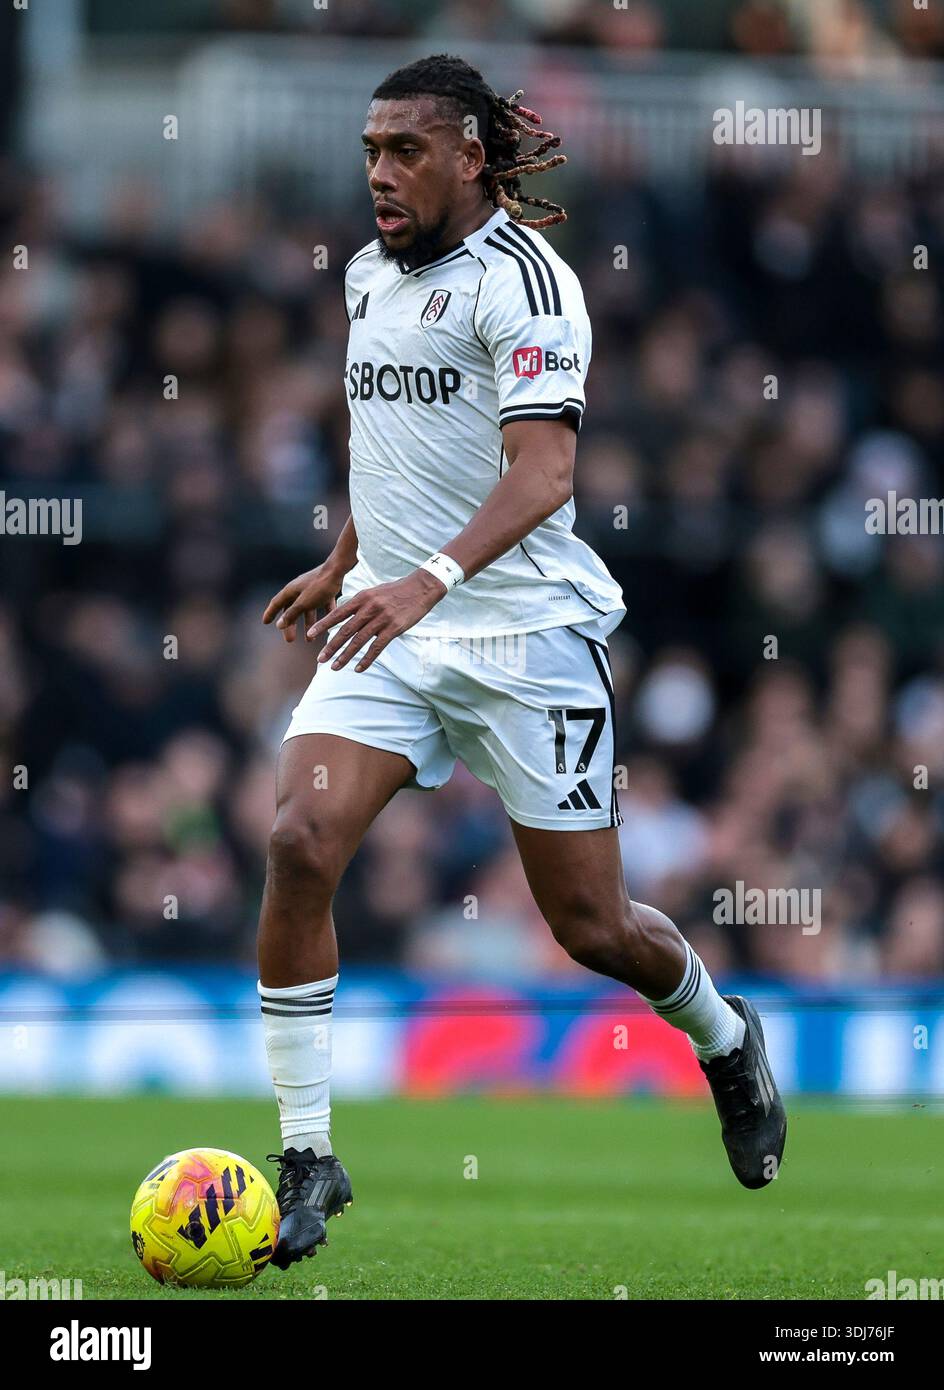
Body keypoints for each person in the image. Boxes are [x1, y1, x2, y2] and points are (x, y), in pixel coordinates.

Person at [258, 53, 786, 1268]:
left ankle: (720, 1034)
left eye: (403, 152)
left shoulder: (531, 285)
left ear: (469, 156)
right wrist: (349, 556)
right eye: (368, 153)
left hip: (521, 638)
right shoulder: (363, 277)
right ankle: (307, 1153)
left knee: (593, 929)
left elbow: (543, 472)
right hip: (389, 627)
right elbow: (396, 434)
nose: (378, 176)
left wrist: (418, 581)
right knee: (296, 842)